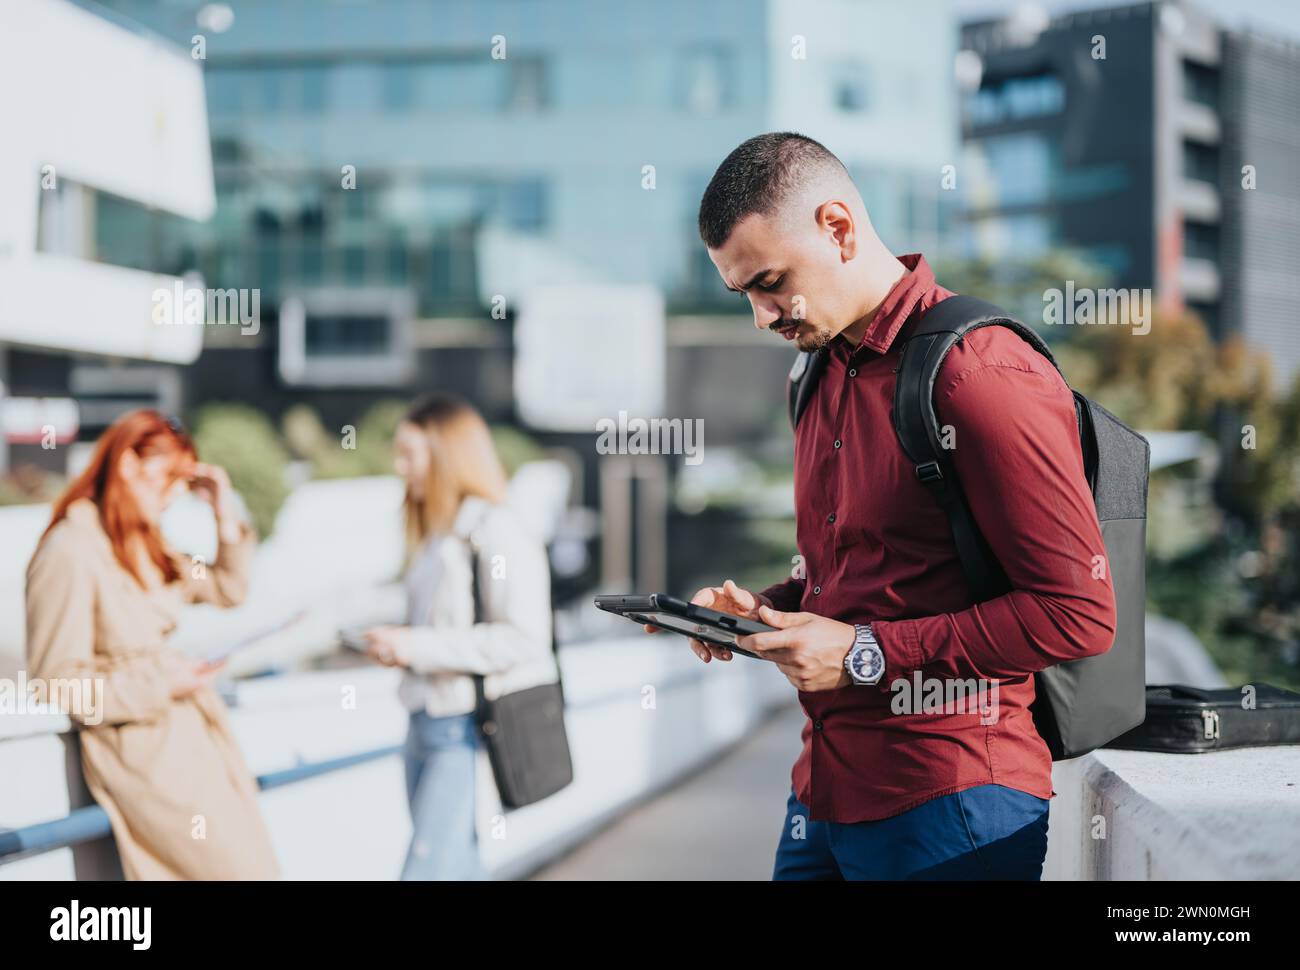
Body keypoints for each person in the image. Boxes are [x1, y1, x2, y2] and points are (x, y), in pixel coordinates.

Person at [646, 132, 1117, 880]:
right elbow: (859, 573)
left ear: (837, 227)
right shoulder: (816, 375)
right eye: (744, 295)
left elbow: (1078, 613)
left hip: (953, 805)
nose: (762, 318)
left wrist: (864, 655)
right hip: (823, 795)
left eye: (770, 282)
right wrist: (764, 611)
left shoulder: (980, 371)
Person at [25, 409, 279, 880]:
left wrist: (223, 510)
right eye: (169, 477)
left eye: (185, 482)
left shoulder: (147, 545)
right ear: (126, 465)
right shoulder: (70, 552)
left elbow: (229, 588)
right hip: (144, 758)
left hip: (196, 744)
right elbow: (58, 684)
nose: (176, 495)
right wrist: (161, 682)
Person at [363, 392, 556, 881]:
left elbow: (524, 638)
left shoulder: (497, 530)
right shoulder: (437, 536)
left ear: (447, 455)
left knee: (426, 870)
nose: (399, 466)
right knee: (457, 868)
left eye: (410, 453)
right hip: (423, 723)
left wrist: (413, 646)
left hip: (466, 729)